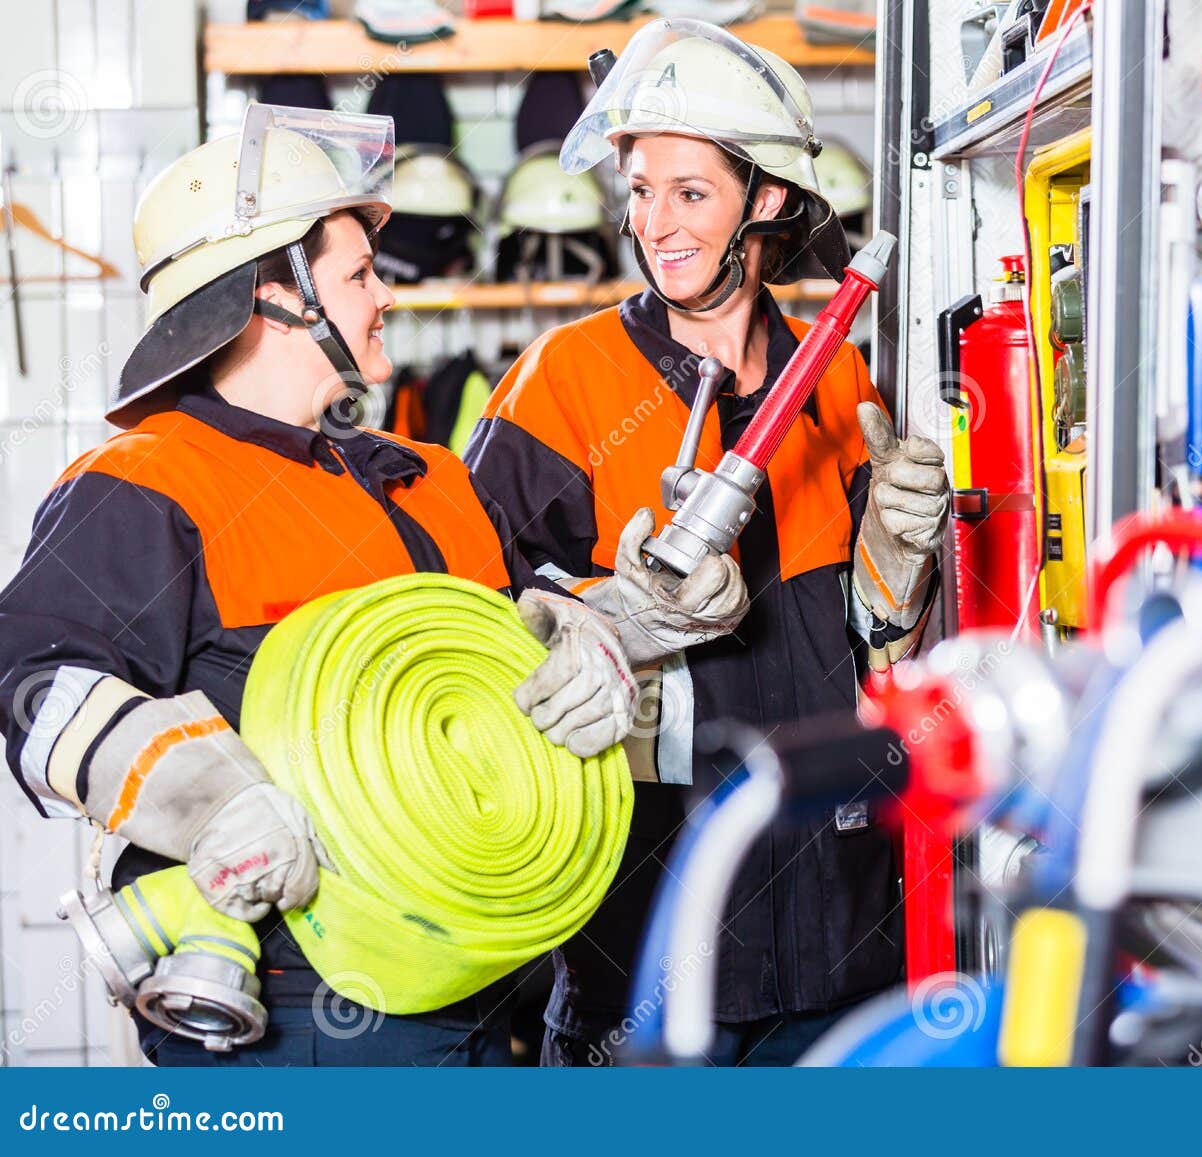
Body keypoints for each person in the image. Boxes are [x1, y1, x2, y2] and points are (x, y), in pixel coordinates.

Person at [0, 104, 637, 1066]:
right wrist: (205, 800)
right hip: (293, 1004)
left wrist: (590, 634)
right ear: (273, 298)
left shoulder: (426, 474)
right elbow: (35, 684)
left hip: (477, 973)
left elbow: (498, 660)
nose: (386, 297)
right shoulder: (147, 485)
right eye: (359, 275)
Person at [465, 20, 951, 1066]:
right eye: (640, 189)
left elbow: (878, 647)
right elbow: (469, 628)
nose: (656, 222)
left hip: (840, 927)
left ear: (765, 198)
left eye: (689, 191)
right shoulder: (563, 383)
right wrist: (601, 617)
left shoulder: (838, 383)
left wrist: (899, 570)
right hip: (644, 945)